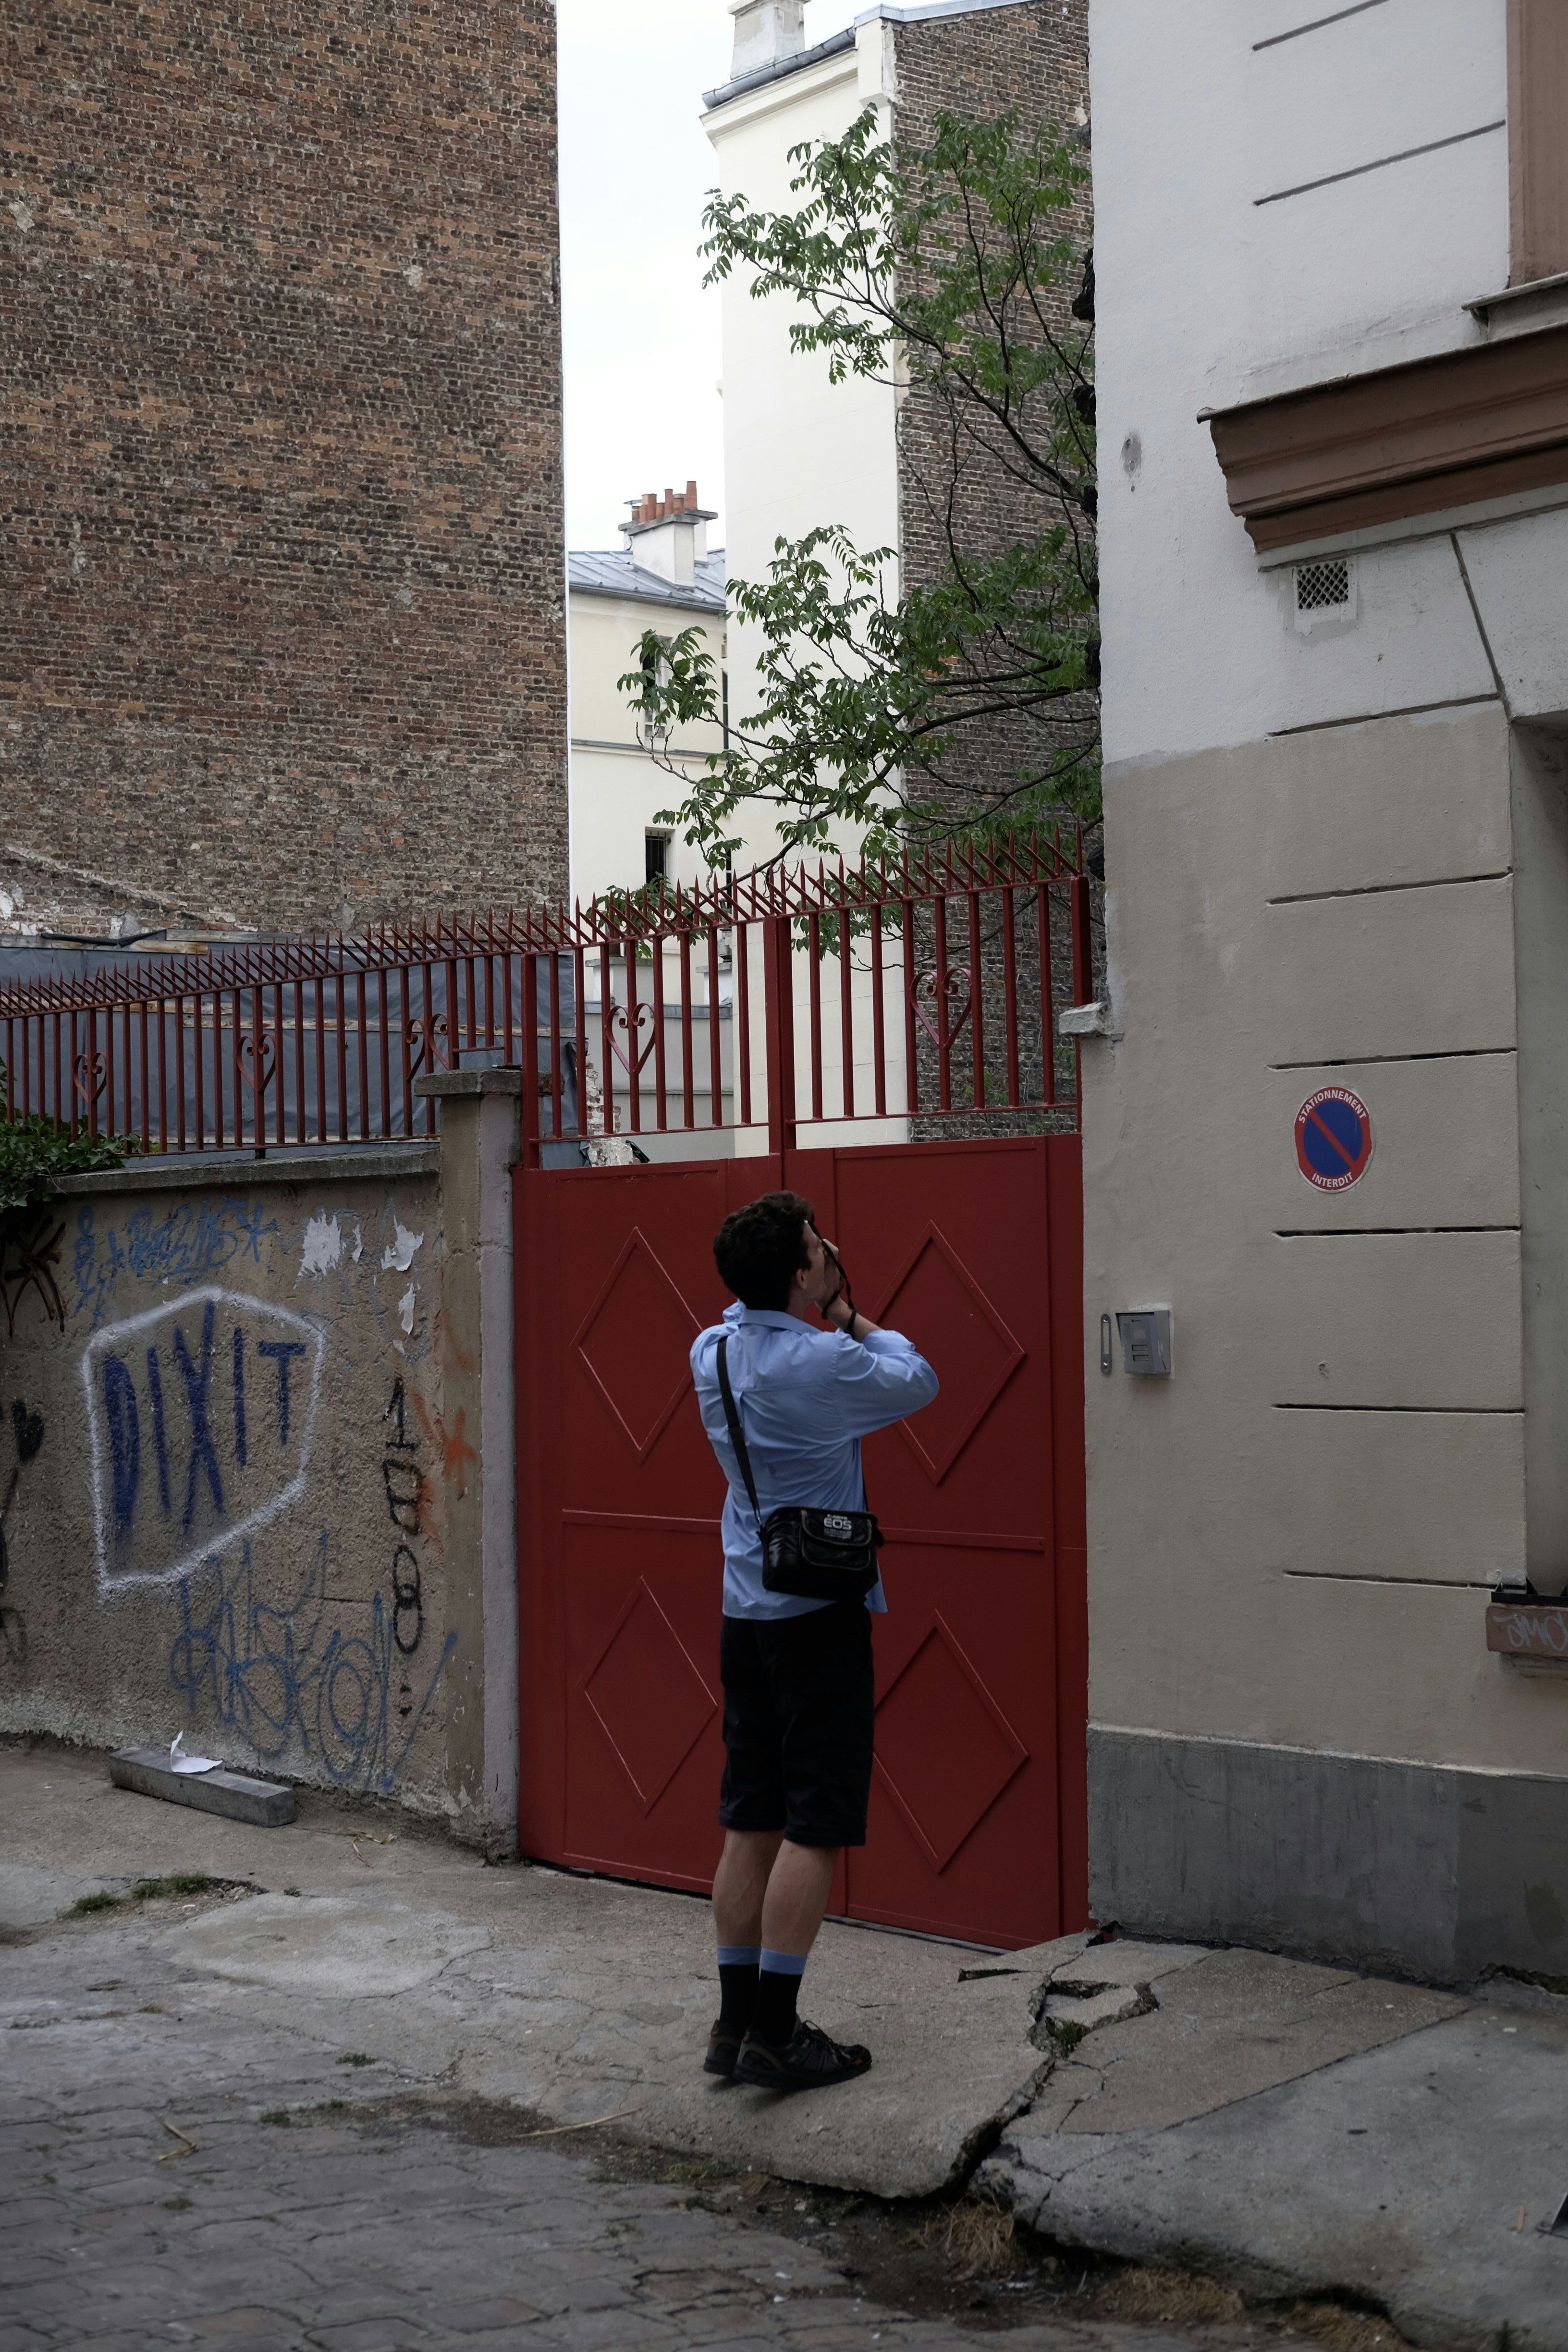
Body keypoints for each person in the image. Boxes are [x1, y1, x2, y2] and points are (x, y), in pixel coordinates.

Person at [689, 1190, 939, 2092]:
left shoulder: (710, 1349)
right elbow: (918, 1375)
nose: (826, 1249)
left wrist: (799, 1283)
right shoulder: (822, 1361)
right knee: (815, 1823)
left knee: (748, 1818)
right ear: (801, 1273)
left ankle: (732, 2024)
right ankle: (779, 2031)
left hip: (743, 1610)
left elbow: (751, 1312)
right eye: (813, 1246)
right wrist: (841, 1305)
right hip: (816, 1617)